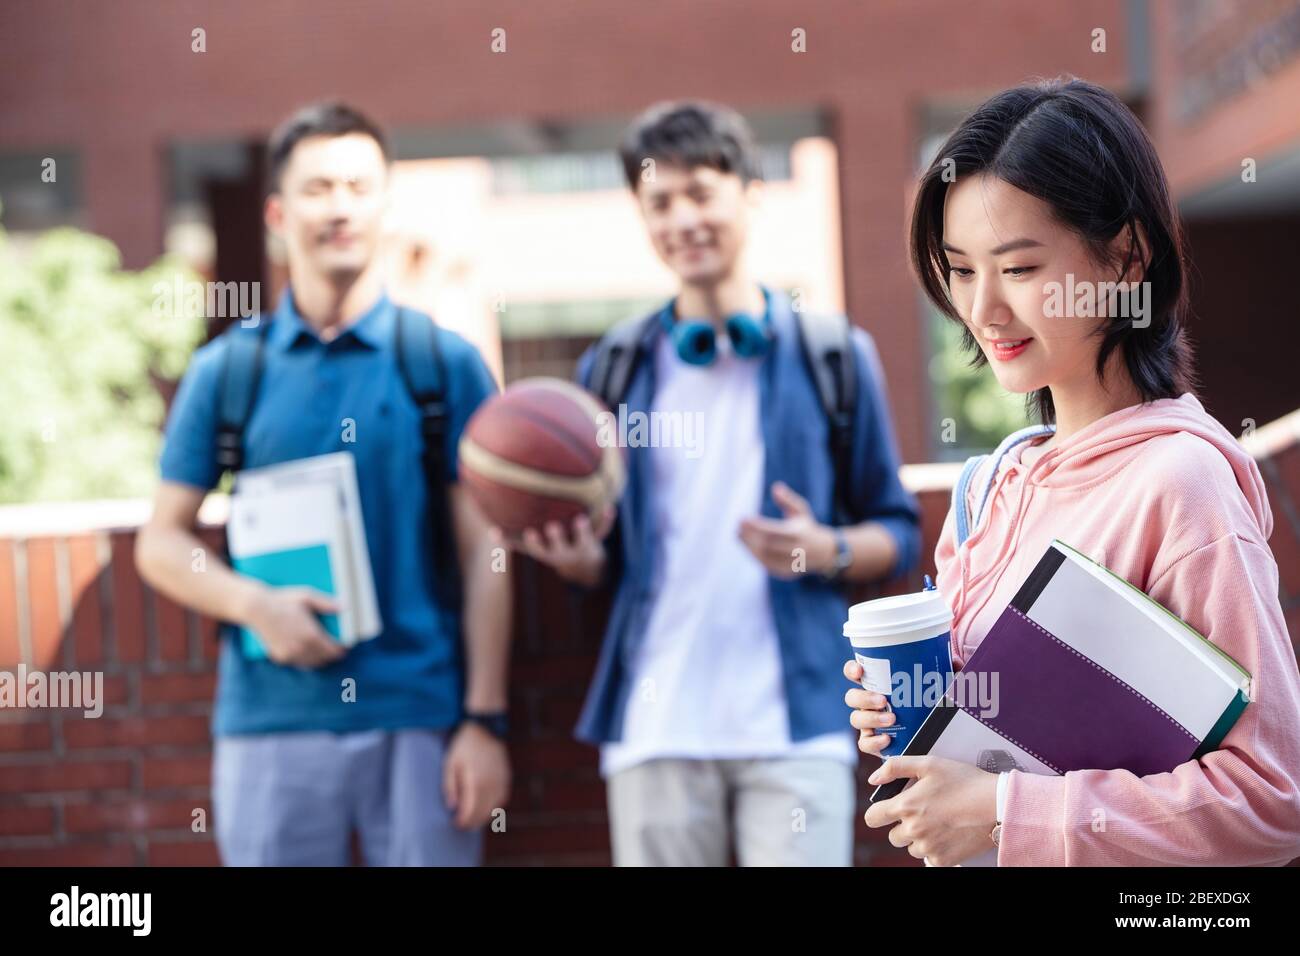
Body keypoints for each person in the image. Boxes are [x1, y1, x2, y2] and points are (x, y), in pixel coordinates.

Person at [846, 77, 1300, 867]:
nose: (981, 310)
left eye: (1017, 269)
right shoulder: (991, 487)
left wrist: (1001, 811)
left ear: (1125, 258)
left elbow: (1272, 799)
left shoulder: (1181, 485)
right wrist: (918, 716)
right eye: (960, 269)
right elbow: (998, 738)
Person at [513, 101, 921, 866]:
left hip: (796, 723)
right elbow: (612, 560)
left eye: (701, 191)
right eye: (659, 202)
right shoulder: (613, 367)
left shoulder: (833, 354)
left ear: (750, 193)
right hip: (656, 723)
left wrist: (823, 547)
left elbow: (897, 533)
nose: (683, 218)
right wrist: (579, 565)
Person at [136, 102, 512, 866]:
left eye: (356, 187)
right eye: (317, 189)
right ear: (277, 212)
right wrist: (255, 605)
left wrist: (485, 722)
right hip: (271, 720)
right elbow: (161, 542)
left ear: (384, 206)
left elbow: (488, 555)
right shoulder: (228, 373)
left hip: (422, 718)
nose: (339, 207)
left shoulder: (442, 365)